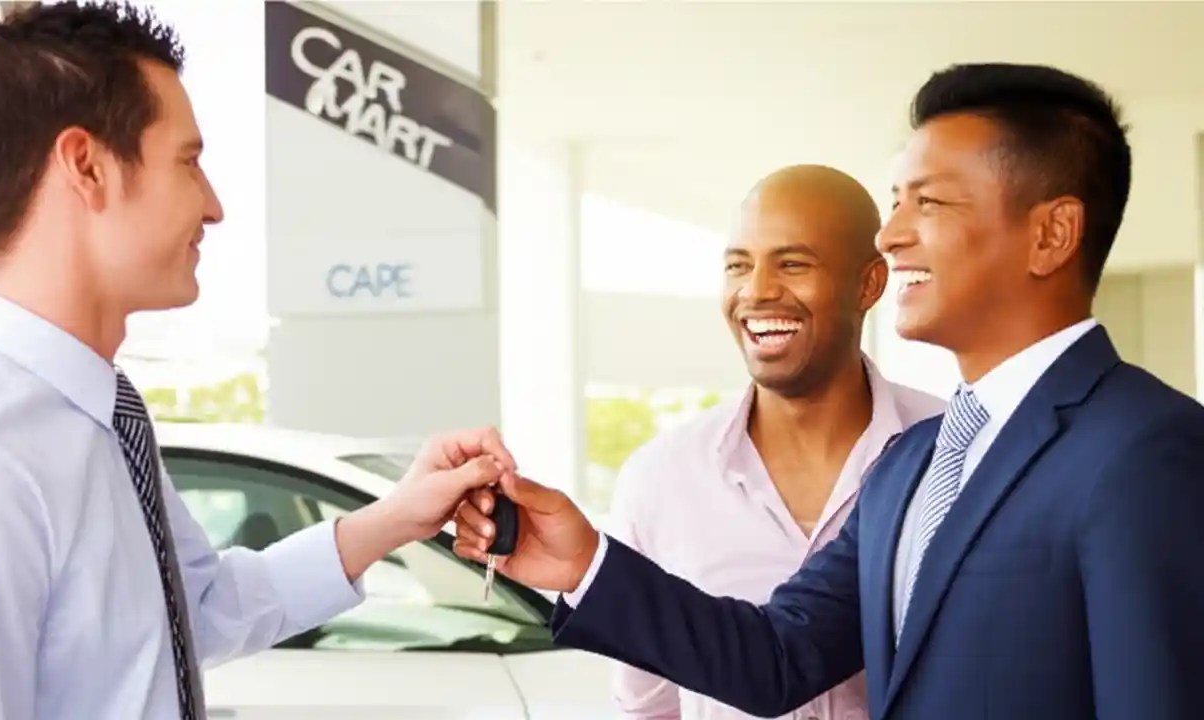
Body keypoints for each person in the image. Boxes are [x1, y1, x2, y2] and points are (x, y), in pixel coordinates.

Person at [455, 63, 1204, 719]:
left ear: (1051, 235)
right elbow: (780, 658)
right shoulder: (915, 463)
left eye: (929, 204)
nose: (890, 234)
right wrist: (583, 563)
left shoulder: (1147, 450)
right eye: (895, 201)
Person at [0, 3, 515, 718]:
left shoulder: (100, 412)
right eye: (189, 160)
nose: (214, 207)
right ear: (87, 167)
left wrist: (395, 518)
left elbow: (197, 609)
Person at [604, 165, 942, 720]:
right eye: (738, 265)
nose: (756, 290)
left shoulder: (953, 452)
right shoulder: (660, 477)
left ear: (869, 284)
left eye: (792, 263)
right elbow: (646, 707)